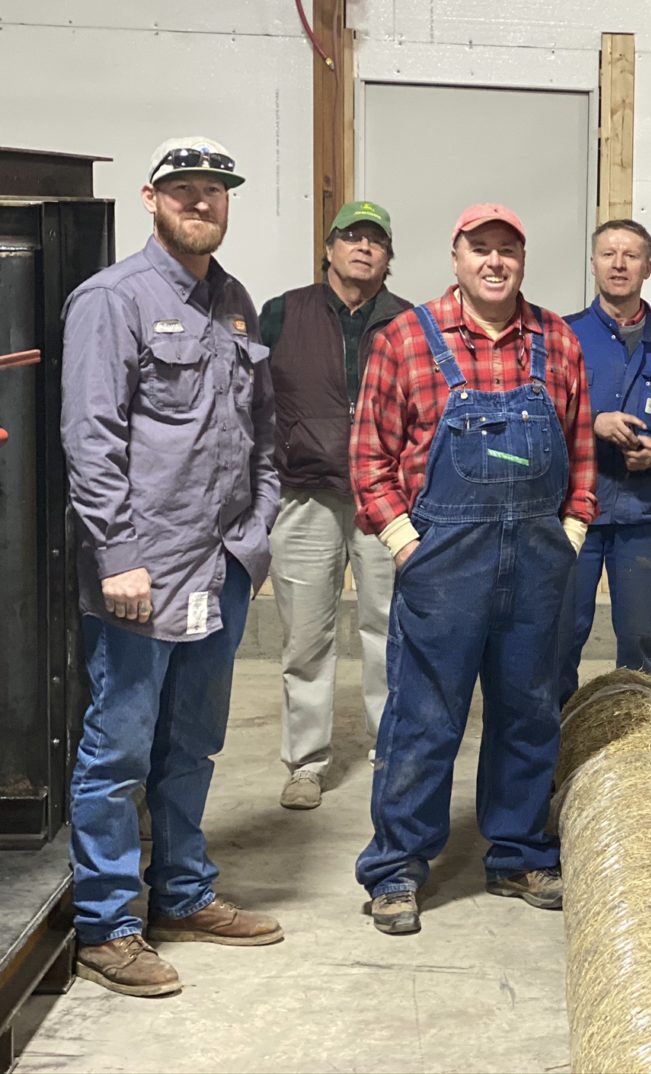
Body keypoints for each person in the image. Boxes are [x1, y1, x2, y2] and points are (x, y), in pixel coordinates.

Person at [61, 136, 284, 997]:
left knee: (194, 741)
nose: (204, 202)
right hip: (141, 571)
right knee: (118, 746)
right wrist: (117, 553)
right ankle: (107, 924)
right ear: (151, 198)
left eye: (217, 191)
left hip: (220, 564)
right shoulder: (110, 300)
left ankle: (182, 895)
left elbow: (261, 430)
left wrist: (257, 532)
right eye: (186, 190)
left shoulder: (233, 302)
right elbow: (90, 437)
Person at [351, 203, 595, 935]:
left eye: (507, 250)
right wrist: (403, 542)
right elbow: (367, 457)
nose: (495, 262)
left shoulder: (557, 340)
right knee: (423, 720)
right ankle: (396, 867)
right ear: (456, 258)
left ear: (522, 259)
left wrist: (573, 531)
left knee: (529, 712)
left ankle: (517, 851)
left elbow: (583, 451)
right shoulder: (405, 338)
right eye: (479, 248)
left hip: (538, 564)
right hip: (442, 562)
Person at [260, 200, 411, 811]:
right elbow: (250, 398)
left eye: (376, 240)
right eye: (352, 237)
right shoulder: (281, 314)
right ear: (329, 248)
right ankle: (305, 763)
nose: (364, 248)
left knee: (388, 630)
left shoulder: (409, 320)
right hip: (304, 495)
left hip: (386, 499)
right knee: (305, 636)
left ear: (388, 257)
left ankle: (390, 751)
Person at [558, 220, 651, 698]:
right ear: (594, 263)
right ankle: (548, 756)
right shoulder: (565, 337)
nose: (619, 264)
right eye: (608, 254)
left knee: (642, 643)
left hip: (642, 515)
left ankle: (638, 748)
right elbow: (536, 415)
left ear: (648, 267)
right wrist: (593, 422)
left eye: (631, 255)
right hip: (572, 515)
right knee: (558, 640)